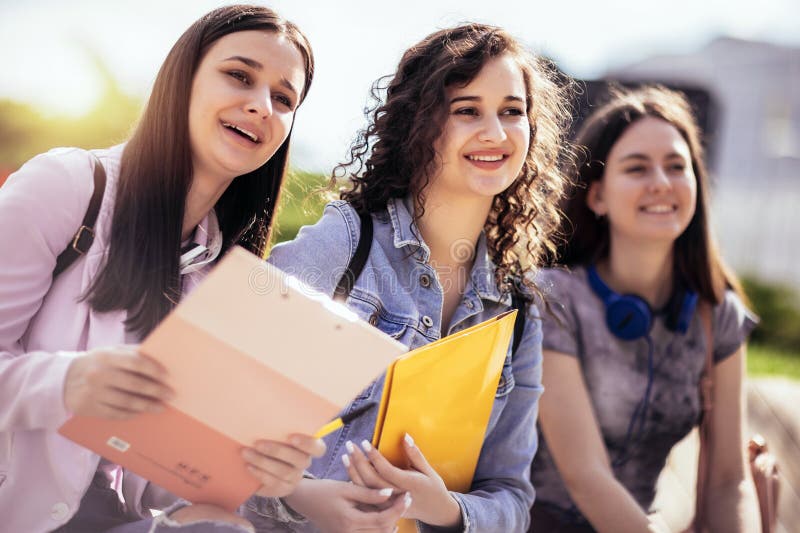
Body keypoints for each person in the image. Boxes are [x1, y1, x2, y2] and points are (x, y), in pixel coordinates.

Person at [0, 5, 331, 532]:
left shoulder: (224, 276)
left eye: (283, 98)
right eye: (239, 76)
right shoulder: (65, 187)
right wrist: (65, 383)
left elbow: (155, 482)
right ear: (184, 80)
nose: (261, 106)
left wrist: (255, 468)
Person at [266, 23, 572, 533]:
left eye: (512, 112)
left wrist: (444, 509)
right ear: (421, 124)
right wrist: (302, 497)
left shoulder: (519, 307)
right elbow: (220, 421)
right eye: (467, 110)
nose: (495, 133)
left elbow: (512, 498)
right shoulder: (345, 245)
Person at [529, 86, 761, 532]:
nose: (661, 181)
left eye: (677, 166)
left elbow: (729, 482)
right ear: (596, 197)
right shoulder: (552, 298)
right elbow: (586, 476)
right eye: (637, 168)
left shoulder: (718, 317)